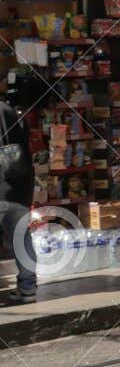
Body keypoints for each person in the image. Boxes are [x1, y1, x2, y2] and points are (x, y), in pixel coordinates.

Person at [0, 79, 37, 307]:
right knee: (21, 237)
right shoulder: (8, 110)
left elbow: (8, 150)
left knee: (20, 237)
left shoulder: (2, 111)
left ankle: (27, 286)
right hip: (17, 188)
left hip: (7, 188)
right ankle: (27, 287)